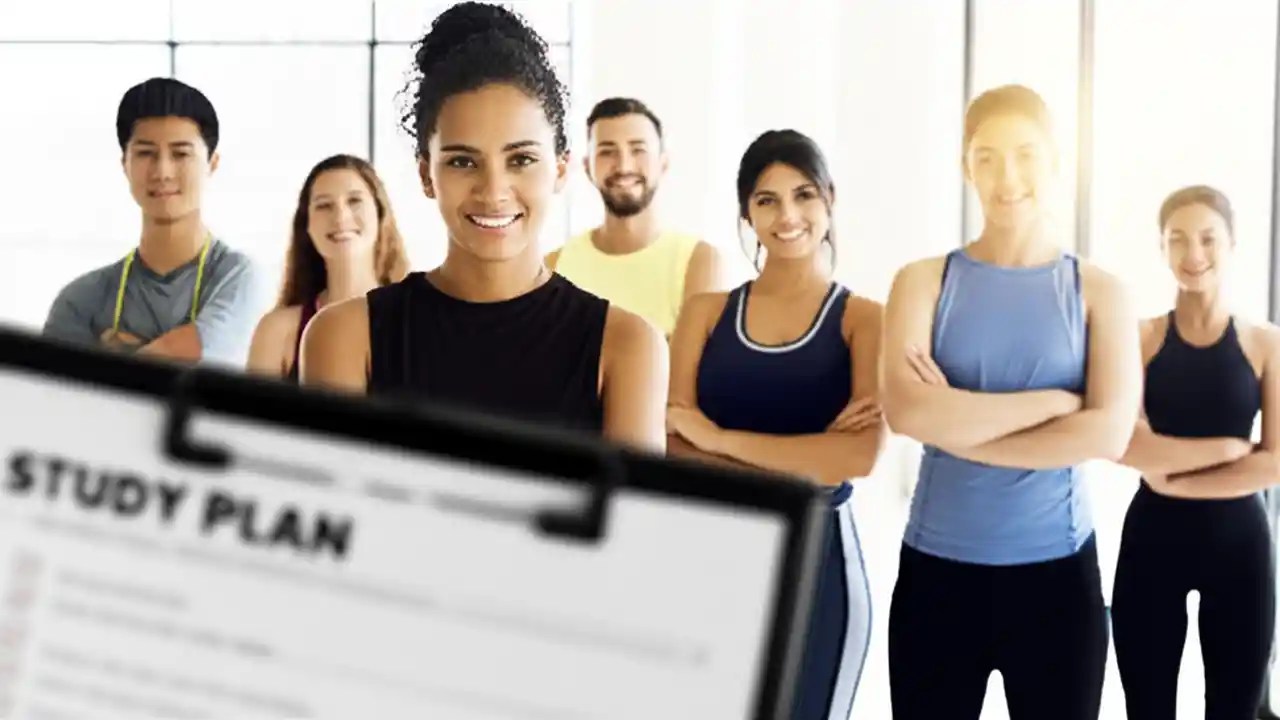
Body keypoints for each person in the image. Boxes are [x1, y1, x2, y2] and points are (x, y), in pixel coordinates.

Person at [880, 84, 1142, 719]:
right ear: (965, 165)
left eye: (1025, 155)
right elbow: (907, 412)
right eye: (987, 156)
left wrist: (958, 423)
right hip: (936, 578)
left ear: (1055, 162)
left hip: (1057, 582)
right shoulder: (922, 281)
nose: (1007, 176)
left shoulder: (1099, 291)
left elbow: (1108, 435)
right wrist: (1055, 402)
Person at [300, 2, 666, 451]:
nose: (493, 191)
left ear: (561, 169)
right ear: (425, 175)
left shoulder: (627, 346)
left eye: (522, 160)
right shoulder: (344, 337)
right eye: (462, 161)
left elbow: (632, 520)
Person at [667, 129, 884, 719]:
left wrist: (719, 439)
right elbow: (671, 446)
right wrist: (804, 457)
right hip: (717, 558)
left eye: (804, 195)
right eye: (767, 199)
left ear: (829, 201)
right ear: (746, 212)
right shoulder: (706, 312)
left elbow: (856, 459)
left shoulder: (864, 320)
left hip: (823, 573)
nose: (787, 215)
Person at [1111, 185, 1278, 719]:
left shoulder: (1265, 343)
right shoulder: (1139, 338)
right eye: (1177, 239)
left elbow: (1275, 460)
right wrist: (1229, 449)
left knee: (1235, 709)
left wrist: (1174, 478)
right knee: (1147, 706)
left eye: (1208, 239)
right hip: (1151, 542)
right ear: (1161, 249)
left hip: (1240, 546)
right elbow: (1126, 443)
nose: (1194, 254)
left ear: (1233, 245)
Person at [42, 77, 259, 367]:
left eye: (181, 154)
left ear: (212, 164)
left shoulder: (238, 276)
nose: (163, 171)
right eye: (146, 153)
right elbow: (60, 401)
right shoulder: (81, 300)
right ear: (125, 165)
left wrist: (118, 356)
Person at [546, 97, 721, 336]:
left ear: (663, 163)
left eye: (638, 150)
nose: (624, 166)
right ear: (588, 167)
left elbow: (697, 367)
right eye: (607, 152)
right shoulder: (555, 266)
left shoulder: (700, 261)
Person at [247, 154, 409, 380]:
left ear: (381, 214)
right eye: (324, 205)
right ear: (307, 227)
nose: (341, 217)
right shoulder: (277, 331)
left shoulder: (418, 321)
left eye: (354, 201)